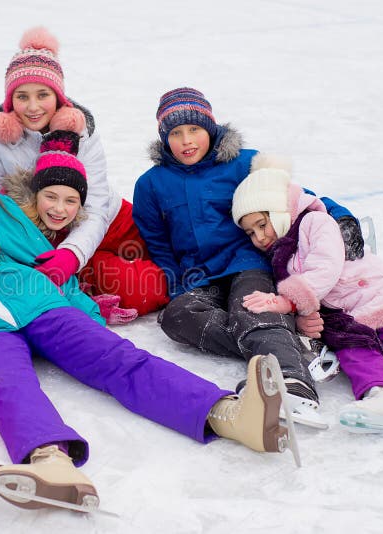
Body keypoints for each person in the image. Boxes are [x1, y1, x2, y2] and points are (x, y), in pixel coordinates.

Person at [0, 117, 301, 513]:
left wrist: (81, 307)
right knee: (8, 387)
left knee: (118, 359)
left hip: (38, 302)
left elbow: (41, 256)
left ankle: (227, 414)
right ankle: (49, 461)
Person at [132, 87, 364, 429]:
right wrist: (178, 285)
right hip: (199, 276)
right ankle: (284, 342)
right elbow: (158, 243)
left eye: (194, 129)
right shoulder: (151, 185)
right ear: (164, 139)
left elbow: (294, 196)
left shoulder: (244, 162)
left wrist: (341, 217)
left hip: (247, 263)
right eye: (176, 133)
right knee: (177, 317)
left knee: (253, 306)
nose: (187, 141)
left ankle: (291, 381)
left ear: (209, 128)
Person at [230, 158, 383, 440]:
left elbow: (325, 267)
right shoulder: (282, 254)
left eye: (261, 224)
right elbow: (311, 294)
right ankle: (381, 397)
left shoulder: (315, 222)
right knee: (358, 357)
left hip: (381, 300)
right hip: (348, 320)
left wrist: (289, 301)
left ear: (278, 209)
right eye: (251, 232)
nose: (258, 237)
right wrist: (305, 318)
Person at [0, 27, 126, 295]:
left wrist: (73, 254)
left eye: (42, 94)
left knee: (133, 278)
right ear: (10, 101)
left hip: (98, 222)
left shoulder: (83, 135)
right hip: (41, 229)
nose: (33, 107)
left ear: (58, 96)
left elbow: (96, 206)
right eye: (22, 96)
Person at [1, 129, 169, 323]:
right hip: (79, 257)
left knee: (164, 262)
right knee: (142, 289)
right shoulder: (16, 218)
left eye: (70, 201)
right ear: (35, 194)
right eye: (50, 197)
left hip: (110, 229)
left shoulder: (99, 205)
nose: (59, 209)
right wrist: (88, 305)